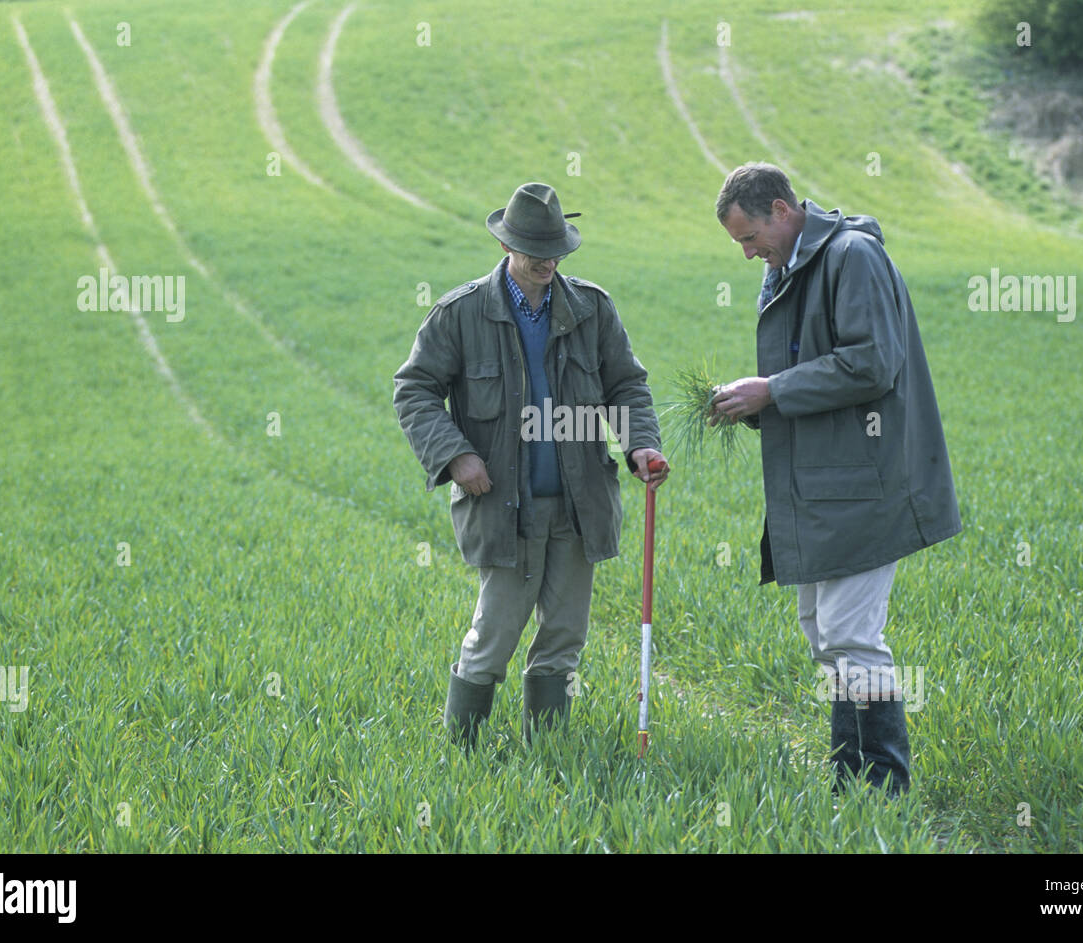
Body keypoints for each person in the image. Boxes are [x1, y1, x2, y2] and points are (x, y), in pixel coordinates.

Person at [708, 162, 961, 796]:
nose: (747, 253)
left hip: (866, 485)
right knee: (825, 634)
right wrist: (758, 405)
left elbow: (872, 363)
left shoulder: (852, 257)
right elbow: (813, 376)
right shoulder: (788, 269)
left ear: (782, 209)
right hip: (824, 485)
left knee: (850, 635)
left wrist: (772, 391)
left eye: (748, 237)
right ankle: (850, 781)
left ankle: (880, 791)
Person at [393, 182, 668, 748]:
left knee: (564, 637)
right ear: (506, 247)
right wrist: (455, 455)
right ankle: (461, 752)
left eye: (556, 249)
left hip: (578, 502)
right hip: (503, 506)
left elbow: (627, 386)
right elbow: (415, 390)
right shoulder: (461, 313)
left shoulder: (592, 308)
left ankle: (547, 753)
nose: (548, 260)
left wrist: (639, 444)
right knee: (493, 635)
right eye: (534, 249)